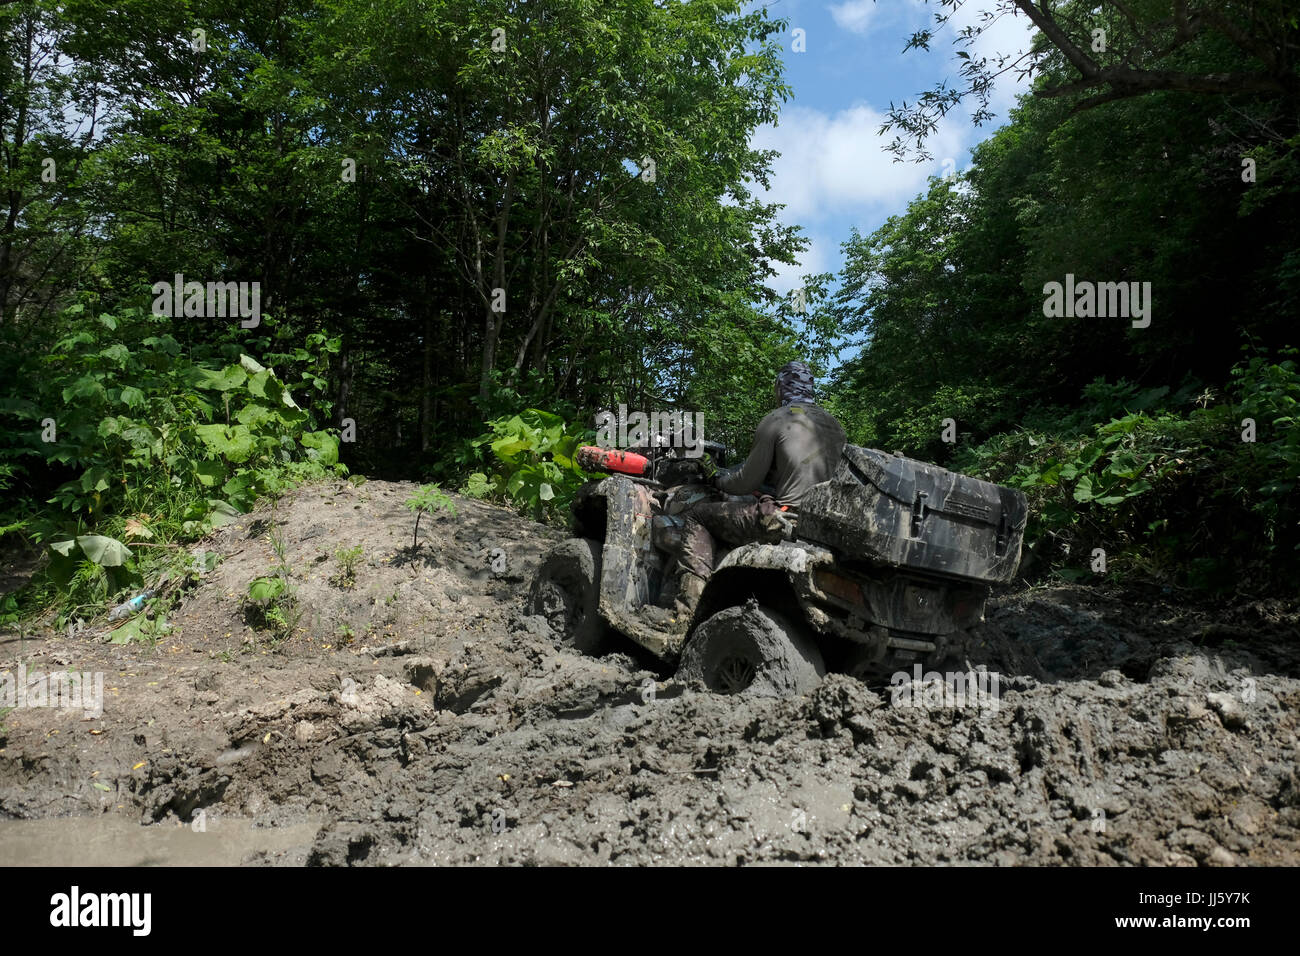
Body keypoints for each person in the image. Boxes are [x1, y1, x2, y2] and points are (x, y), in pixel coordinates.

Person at [649, 360, 847, 624]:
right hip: (819, 525)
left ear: (781, 388)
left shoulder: (778, 419)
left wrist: (715, 477)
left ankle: (686, 613)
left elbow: (743, 482)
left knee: (699, 516)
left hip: (783, 519)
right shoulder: (836, 427)